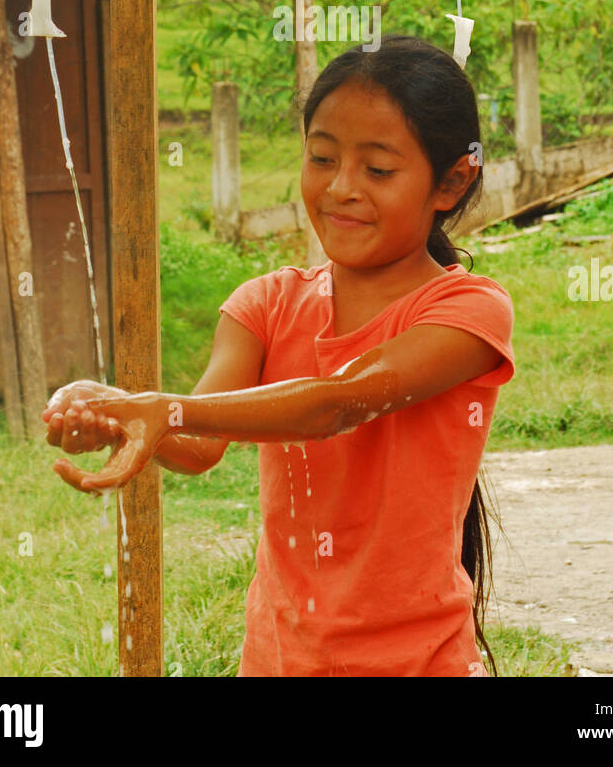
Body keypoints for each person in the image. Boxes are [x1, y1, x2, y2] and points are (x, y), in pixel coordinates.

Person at [43, 35, 515, 677]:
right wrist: (121, 416)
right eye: (322, 158)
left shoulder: (468, 310)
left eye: (378, 170)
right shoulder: (263, 304)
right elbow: (199, 442)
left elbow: (338, 403)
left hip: (417, 661)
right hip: (279, 658)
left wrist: (164, 410)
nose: (341, 188)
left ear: (453, 181)